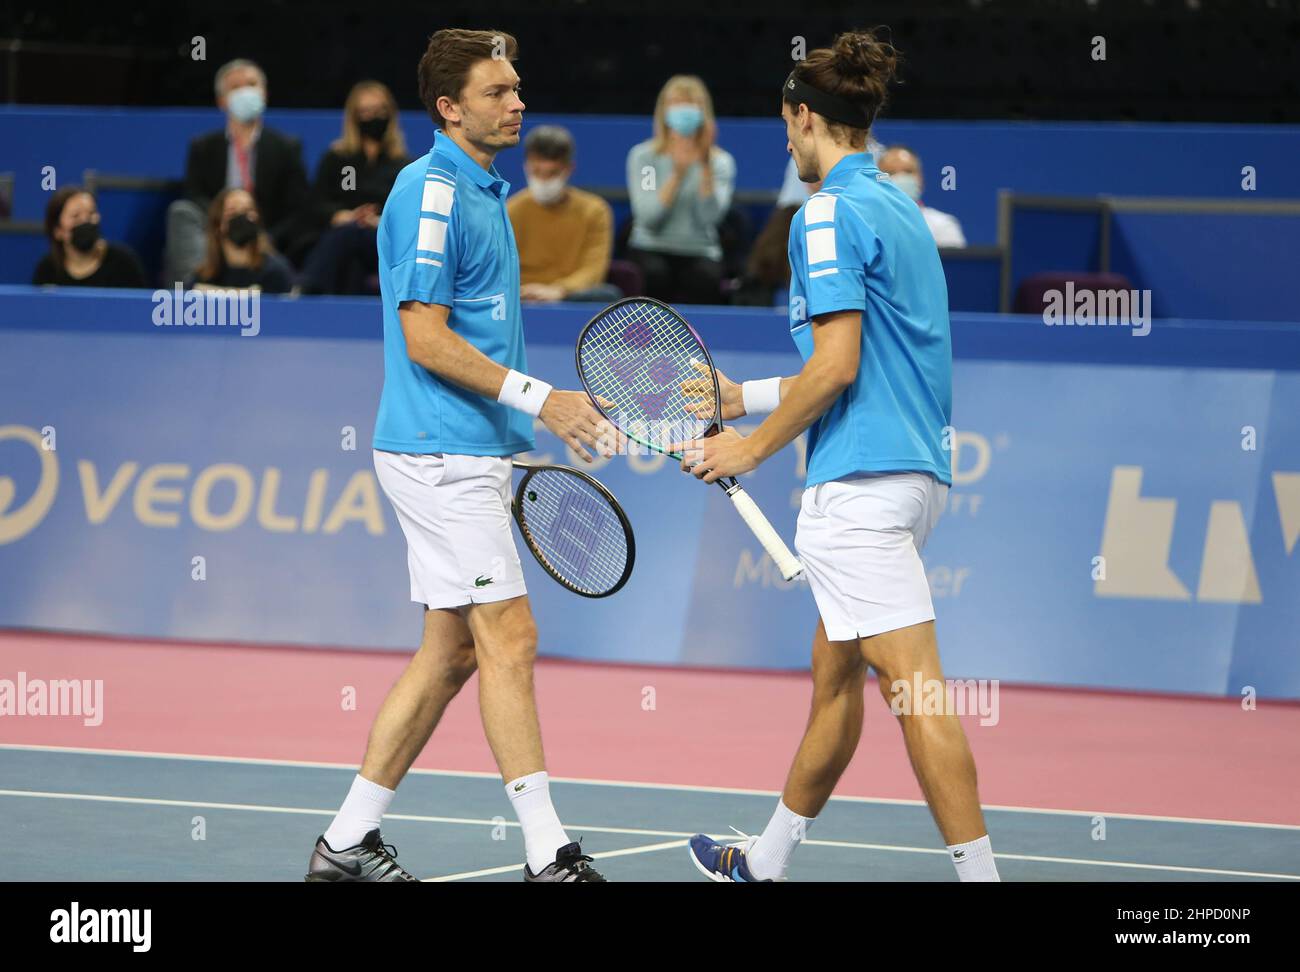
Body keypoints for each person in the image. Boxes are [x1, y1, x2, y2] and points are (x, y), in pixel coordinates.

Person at [681, 29, 999, 883]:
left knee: (917, 693)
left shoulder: (822, 214)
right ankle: (764, 863)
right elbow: (871, 362)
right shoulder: (899, 205)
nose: (784, 141)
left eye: (785, 125)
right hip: (913, 476)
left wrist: (745, 448)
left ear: (804, 115)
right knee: (834, 680)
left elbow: (837, 366)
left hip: (858, 492)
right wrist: (739, 397)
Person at [305, 28, 611, 884]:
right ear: (449, 107)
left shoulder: (483, 190)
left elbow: (469, 337)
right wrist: (541, 398)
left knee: (451, 652)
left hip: (470, 447)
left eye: (518, 86)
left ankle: (346, 844)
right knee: (510, 637)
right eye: (498, 91)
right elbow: (426, 339)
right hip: (441, 453)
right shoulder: (431, 192)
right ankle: (549, 856)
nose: (518, 103)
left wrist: (526, 413)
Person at [164, 59, 309, 284]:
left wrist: (263, 234)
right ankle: (194, 286)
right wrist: (221, 226)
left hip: (265, 235)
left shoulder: (286, 147)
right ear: (221, 100)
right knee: (181, 211)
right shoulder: (203, 147)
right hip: (215, 234)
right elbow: (195, 194)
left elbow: (296, 207)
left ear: (265, 94)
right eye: (236, 87)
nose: (245, 92)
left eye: (251, 84)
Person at [625, 75, 736, 304]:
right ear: (663, 111)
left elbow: (709, 218)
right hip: (650, 247)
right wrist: (678, 173)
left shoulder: (719, 162)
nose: (683, 110)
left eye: (691, 103)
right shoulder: (646, 158)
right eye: (676, 103)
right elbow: (648, 217)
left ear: (703, 111)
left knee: (705, 278)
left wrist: (703, 164)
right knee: (655, 274)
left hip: (700, 250)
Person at [299, 80, 412, 294]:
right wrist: (341, 215)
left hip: (382, 240)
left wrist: (378, 221)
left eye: (380, 111)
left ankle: (306, 290)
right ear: (354, 117)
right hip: (344, 234)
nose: (374, 118)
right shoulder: (340, 159)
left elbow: (407, 212)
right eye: (366, 112)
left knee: (349, 236)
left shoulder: (403, 165)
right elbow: (317, 203)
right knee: (349, 248)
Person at [507, 125, 619, 303]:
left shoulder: (595, 211)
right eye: (537, 172)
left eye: (552, 173)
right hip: (521, 295)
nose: (543, 181)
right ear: (526, 167)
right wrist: (524, 291)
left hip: (571, 295)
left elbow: (593, 270)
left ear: (569, 169)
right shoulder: (511, 209)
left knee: (608, 294)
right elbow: (501, 269)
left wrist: (559, 290)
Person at [33, 186, 146, 288]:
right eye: (75, 216)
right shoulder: (47, 270)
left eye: (91, 213)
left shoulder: (123, 263)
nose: (85, 221)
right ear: (58, 230)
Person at [188, 188, 294, 293]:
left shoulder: (275, 273)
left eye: (248, 211)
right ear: (218, 225)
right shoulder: (204, 278)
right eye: (232, 212)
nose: (242, 218)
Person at [878, 144, 967, 248]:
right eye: (891, 172)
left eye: (908, 171)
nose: (901, 177)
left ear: (920, 178)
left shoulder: (943, 226)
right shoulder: (865, 226)